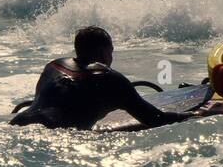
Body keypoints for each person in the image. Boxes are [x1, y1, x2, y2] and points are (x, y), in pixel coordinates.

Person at [10, 26, 190, 130]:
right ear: (104, 53)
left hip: (17, 124)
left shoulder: (53, 66)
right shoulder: (110, 79)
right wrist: (199, 114)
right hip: (57, 138)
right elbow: (155, 119)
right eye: (111, 52)